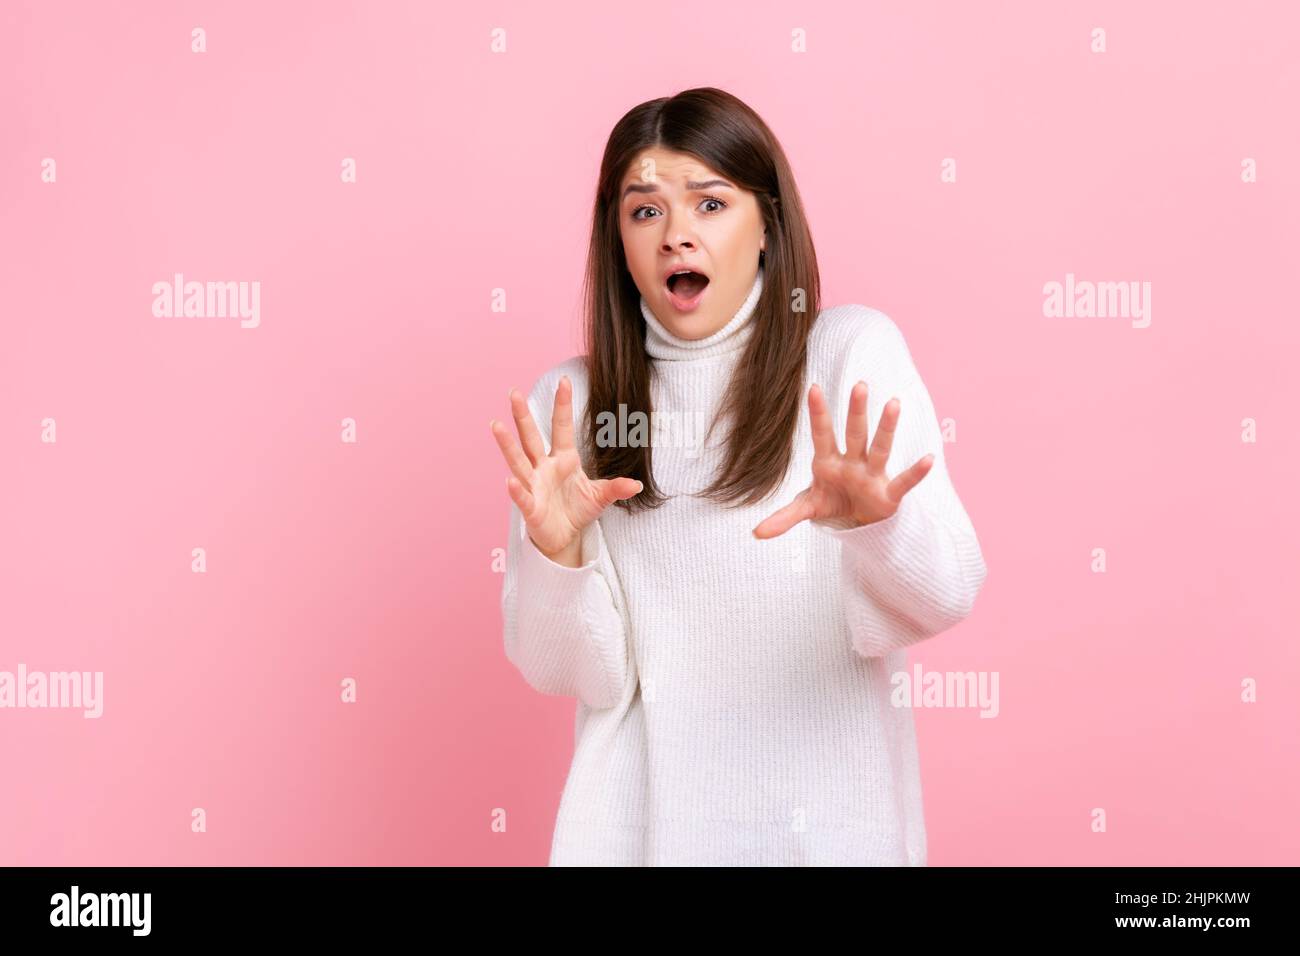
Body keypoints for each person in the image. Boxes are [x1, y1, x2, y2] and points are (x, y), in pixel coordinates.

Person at [489, 87, 987, 866]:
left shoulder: (846, 356)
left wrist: (875, 529)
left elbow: (943, 597)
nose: (676, 235)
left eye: (710, 204)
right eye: (644, 210)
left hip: (830, 838)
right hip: (636, 842)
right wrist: (557, 559)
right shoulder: (575, 404)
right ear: (617, 239)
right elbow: (576, 674)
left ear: (767, 227)